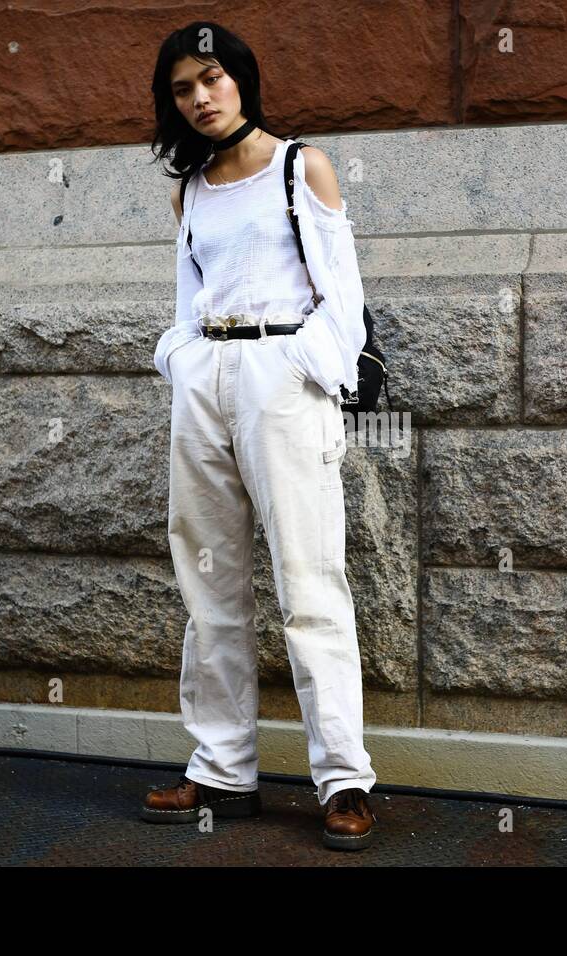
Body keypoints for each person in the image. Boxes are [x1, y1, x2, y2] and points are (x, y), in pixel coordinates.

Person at [140, 21, 377, 850]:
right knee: (209, 584)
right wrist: (182, 361)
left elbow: (341, 299)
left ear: (241, 79)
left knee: (309, 582)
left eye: (212, 78)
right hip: (207, 378)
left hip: (283, 377)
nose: (200, 97)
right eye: (182, 88)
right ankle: (221, 770)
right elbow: (185, 299)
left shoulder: (298, 167)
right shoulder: (192, 191)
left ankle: (342, 778)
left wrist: (299, 369)